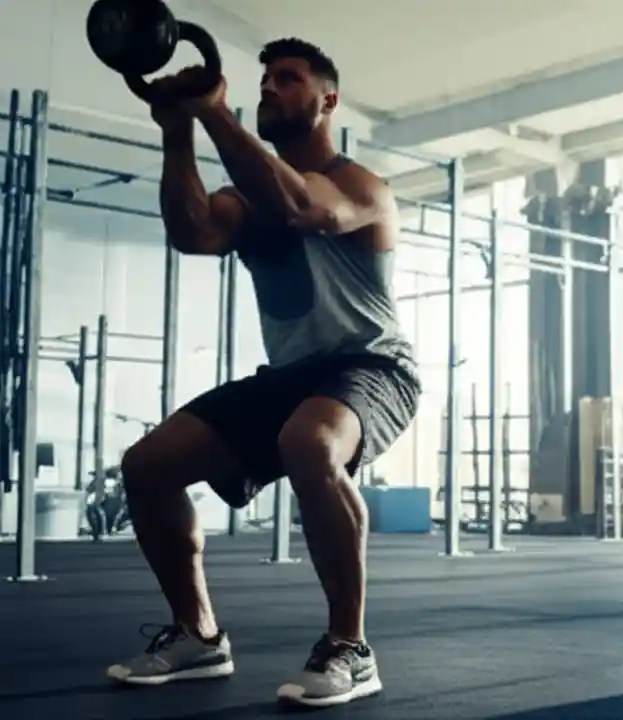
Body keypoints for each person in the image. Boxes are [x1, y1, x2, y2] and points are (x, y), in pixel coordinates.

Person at [104, 38, 419, 708]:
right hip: (291, 376)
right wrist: (177, 130)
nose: (270, 88)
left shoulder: (362, 185)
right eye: (265, 79)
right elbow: (192, 233)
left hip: (372, 365)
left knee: (309, 441)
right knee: (147, 466)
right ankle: (198, 637)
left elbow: (308, 208)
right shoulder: (244, 201)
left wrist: (217, 113)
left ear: (327, 99)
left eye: (288, 78)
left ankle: (349, 648)